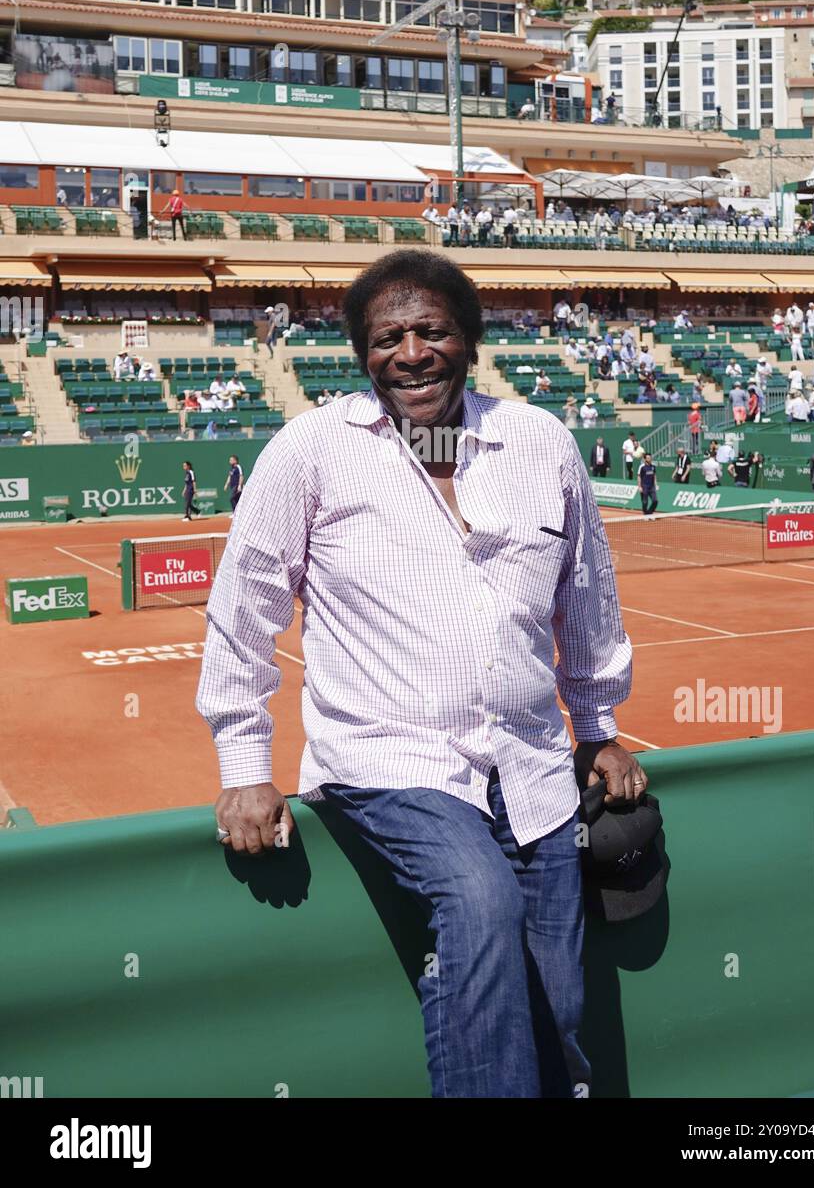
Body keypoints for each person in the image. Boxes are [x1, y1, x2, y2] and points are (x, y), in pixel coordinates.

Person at [196, 248, 642, 1101]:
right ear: (362, 355)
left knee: (559, 1000)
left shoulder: (537, 443)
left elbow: (587, 597)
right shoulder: (312, 452)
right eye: (386, 337)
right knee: (477, 901)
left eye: (432, 331)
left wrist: (598, 731)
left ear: (469, 341)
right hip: (390, 761)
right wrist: (245, 768)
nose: (410, 353)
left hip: (534, 772)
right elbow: (243, 611)